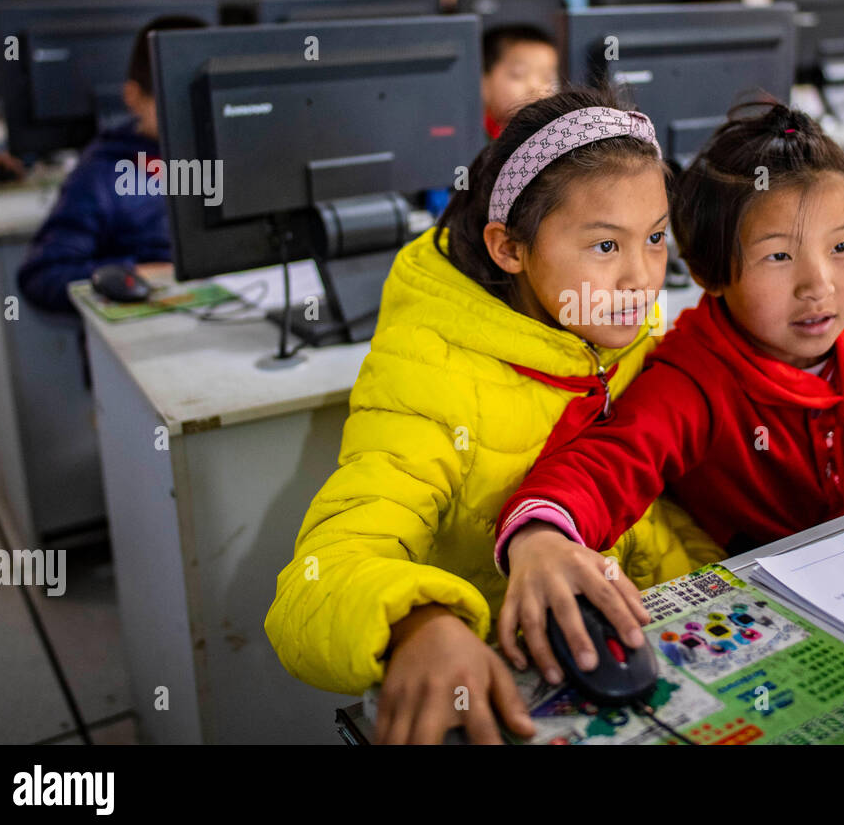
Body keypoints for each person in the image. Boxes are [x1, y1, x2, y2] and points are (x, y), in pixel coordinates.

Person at [264, 86, 724, 744]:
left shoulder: (613, 335)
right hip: (503, 675)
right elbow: (316, 582)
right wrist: (420, 624)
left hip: (639, 629)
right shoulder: (429, 375)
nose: (641, 278)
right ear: (509, 247)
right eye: (604, 247)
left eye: (654, 238)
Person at [493, 101, 844, 677]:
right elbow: (605, 465)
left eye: (842, 246)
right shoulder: (693, 379)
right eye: (778, 256)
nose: (819, 285)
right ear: (710, 273)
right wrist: (539, 536)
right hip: (769, 626)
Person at [16, 15, 208, 313]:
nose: (191, 115)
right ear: (133, 97)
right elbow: (43, 275)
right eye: (172, 99)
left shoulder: (234, 157)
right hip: (147, 332)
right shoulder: (102, 173)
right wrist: (134, 272)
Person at [480, 23, 558, 141]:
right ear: (484, 81)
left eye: (546, 77)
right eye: (519, 75)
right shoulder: (473, 136)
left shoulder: (552, 137)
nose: (536, 87)